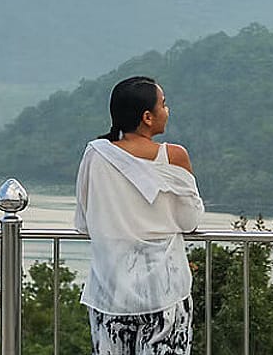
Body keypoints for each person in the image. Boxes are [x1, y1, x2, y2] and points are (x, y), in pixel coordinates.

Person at [74, 76, 204, 355]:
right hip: (165, 290)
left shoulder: (95, 155)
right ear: (147, 117)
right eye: (164, 104)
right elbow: (190, 220)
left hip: (110, 290)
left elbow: (84, 222)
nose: (167, 111)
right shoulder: (173, 156)